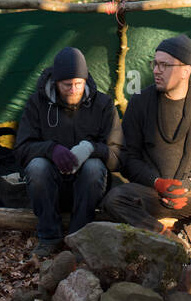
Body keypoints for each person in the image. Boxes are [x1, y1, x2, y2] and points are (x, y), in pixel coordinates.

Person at [100, 33, 191, 255]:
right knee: (114, 199)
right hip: (151, 191)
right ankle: (163, 239)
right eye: (155, 63)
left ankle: (188, 242)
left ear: (185, 70)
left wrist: (187, 184)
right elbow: (128, 158)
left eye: (164, 65)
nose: (156, 70)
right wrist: (156, 182)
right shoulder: (139, 103)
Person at [15, 46, 123, 257]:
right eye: (67, 85)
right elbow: (21, 150)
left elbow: (118, 155)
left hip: (89, 188)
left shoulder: (103, 105)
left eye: (79, 84)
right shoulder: (37, 104)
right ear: (56, 82)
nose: (73, 89)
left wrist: (91, 148)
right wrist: (50, 149)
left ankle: (80, 235)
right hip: (50, 185)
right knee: (36, 167)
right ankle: (49, 237)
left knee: (94, 167)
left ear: (85, 80)